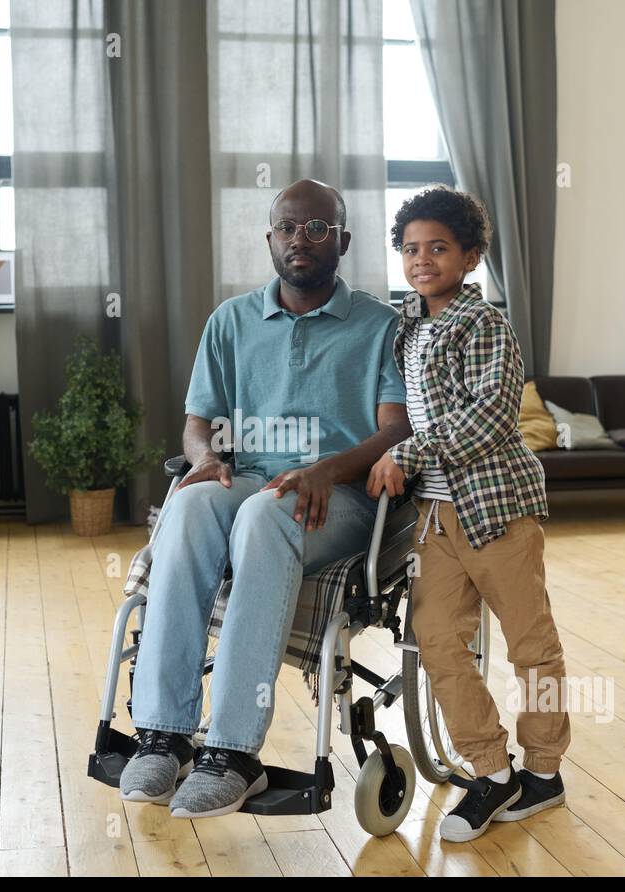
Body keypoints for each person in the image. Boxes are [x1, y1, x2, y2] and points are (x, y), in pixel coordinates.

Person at [120, 179, 411, 819]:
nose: (299, 240)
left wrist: (325, 470)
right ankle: (163, 732)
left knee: (260, 514)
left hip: (340, 497)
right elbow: (199, 423)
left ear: (343, 239)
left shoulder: (381, 325)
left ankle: (232, 751)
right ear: (270, 238)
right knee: (191, 506)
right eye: (286, 228)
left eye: (316, 228)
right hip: (251, 479)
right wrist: (205, 461)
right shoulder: (230, 321)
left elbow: (395, 428)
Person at [366, 185, 571, 842]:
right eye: (410, 249)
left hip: (496, 510)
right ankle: (490, 769)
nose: (421, 259)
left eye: (438, 248)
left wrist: (408, 451)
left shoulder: (486, 325)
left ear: (471, 256)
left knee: (531, 646)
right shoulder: (407, 323)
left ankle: (543, 772)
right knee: (433, 639)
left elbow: (488, 418)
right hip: (434, 518)